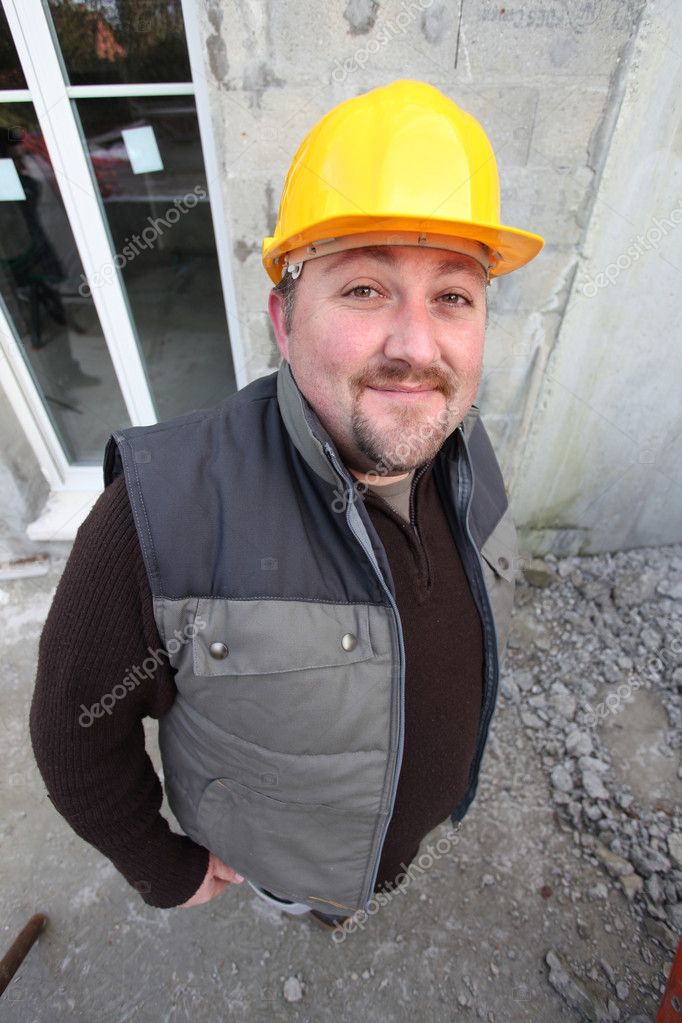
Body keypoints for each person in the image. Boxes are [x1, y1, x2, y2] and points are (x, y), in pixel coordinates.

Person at [29, 79, 543, 931]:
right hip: (286, 872)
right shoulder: (162, 516)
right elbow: (74, 734)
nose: (417, 345)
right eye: (365, 289)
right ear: (283, 315)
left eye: (453, 295)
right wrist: (165, 868)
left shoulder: (465, 449)